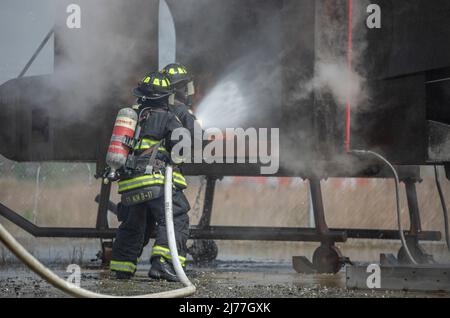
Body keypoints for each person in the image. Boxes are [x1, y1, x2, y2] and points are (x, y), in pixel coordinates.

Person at [110, 72, 190, 282]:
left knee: (133, 224)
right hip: (155, 181)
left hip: (129, 183)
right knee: (176, 218)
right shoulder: (168, 117)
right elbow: (180, 150)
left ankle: (122, 267)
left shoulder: (131, 117)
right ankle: (163, 264)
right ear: (166, 97)